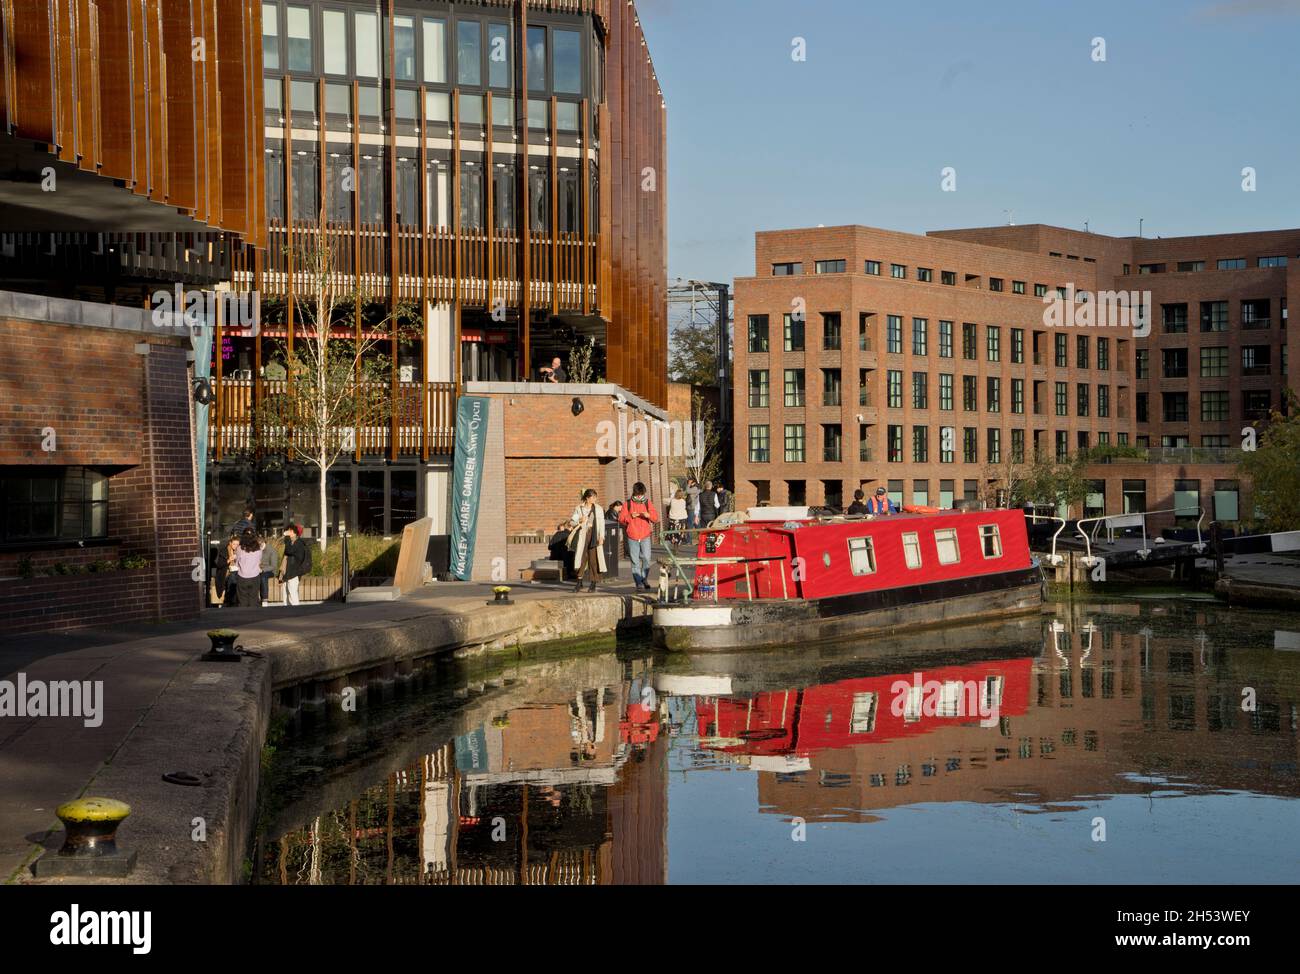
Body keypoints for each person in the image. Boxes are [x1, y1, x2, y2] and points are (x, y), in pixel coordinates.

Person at [619, 482, 659, 591]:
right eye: (638, 495)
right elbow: (621, 519)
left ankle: (644, 578)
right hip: (632, 535)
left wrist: (648, 515)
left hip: (645, 535)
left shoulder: (647, 503)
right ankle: (638, 582)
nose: (639, 497)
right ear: (634, 493)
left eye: (641, 494)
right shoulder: (627, 504)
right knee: (635, 561)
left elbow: (656, 518)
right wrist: (630, 516)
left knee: (647, 558)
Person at [565, 489, 606, 593]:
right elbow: (572, 522)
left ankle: (593, 583)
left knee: (593, 560)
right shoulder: (579, 508)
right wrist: (579, 520)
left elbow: (602, 524)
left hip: (594, 535)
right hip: (583, 537)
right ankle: (579, 582)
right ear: (587, 498)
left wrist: (601, 536)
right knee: (581, 559)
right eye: (593, 497)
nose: (595, 499)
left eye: (595, 497)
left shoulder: (598, 509)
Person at [279, 524, 311, 606]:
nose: (287, 532)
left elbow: (289, 551)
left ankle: (296, 612)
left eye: (289, 530)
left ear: (294, 532)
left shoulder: (298, 543)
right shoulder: (292, 542)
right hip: (287, 572)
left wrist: (286, 538)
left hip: (293, 572)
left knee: (292, 594)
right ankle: (287, 613)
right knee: (285, 595)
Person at [233, 528, 265, 607]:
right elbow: (259, 561)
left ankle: (243, 619)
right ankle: (254, 618)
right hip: (255, 577)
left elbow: (237, 563)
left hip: (242, 577)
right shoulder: (259, 549)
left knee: (242, 601)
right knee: (254, 600)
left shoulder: (239, 548)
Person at [259, 531, 282, 604]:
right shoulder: (257, 549)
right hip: (258, 569)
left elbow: (273, 566)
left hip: (271, 571)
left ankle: (264, 599)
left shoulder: (272, 551)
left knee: (263, 577)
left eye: (260, 545)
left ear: (263, 543)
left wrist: (262, 570)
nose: (259, 548)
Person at [224, 533, 241, 606]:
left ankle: (232, 599)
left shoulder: (240, 552)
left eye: (237, 544)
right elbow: (221, 564)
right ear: (230, 543)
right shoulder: (226, 551)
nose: (236, 546)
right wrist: (229, 560)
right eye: (234, 544)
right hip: (228, 572)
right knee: (232, 577)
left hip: (238, 572)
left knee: (235, 576)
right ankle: (232, 600)